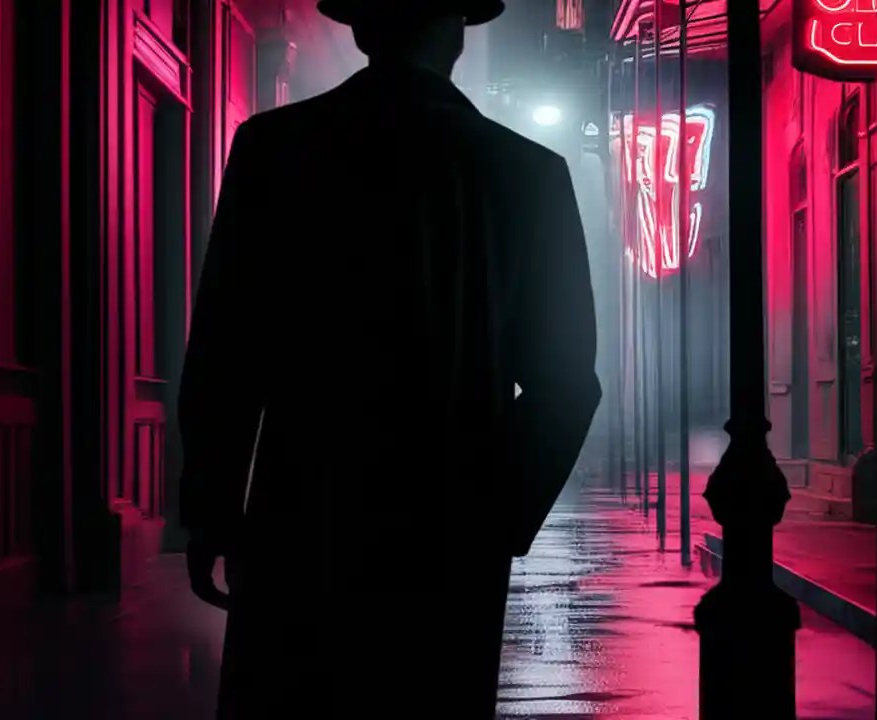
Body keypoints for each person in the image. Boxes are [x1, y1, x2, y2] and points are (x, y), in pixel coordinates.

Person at [177, 1, 602, 716]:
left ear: (361, 28)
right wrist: (495, 514)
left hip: (305, 514)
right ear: (457, 32)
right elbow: (566, 382)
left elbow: (228, 348)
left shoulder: (275, 149)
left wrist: (213, 507)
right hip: (448, 529)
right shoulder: (527, 172)